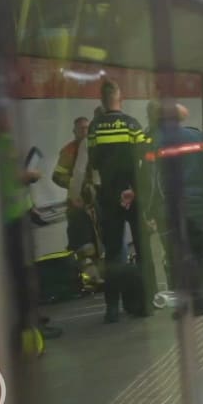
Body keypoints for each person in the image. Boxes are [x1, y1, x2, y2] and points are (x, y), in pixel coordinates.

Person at [143, 101, 203, 316]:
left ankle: (195, 304)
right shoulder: (196, 136)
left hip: (171, 207)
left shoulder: (155, 142)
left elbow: (151, 182)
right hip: (197, 203)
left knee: (179, 255)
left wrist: (149, 210)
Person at [87, 79, 150, 323]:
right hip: (133, 195)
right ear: (119, 97)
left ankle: (112, 308)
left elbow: (93, 161)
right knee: (143, 250)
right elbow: (145, 157)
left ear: (102, 100)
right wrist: (134, 189)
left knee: (113, 253)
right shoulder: (131, 124)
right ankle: (144, 303)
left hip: (108, 197)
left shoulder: (95, 127)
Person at [52, 117, 97, 264]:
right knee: (79, 243)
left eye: (86, 128)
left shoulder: (95, 146)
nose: (84, 131)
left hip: (94, 201)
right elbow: (57, 176)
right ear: (74, 131)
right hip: (76, 203)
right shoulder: (69, 151)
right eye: (81, 129)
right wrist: (77, 186)